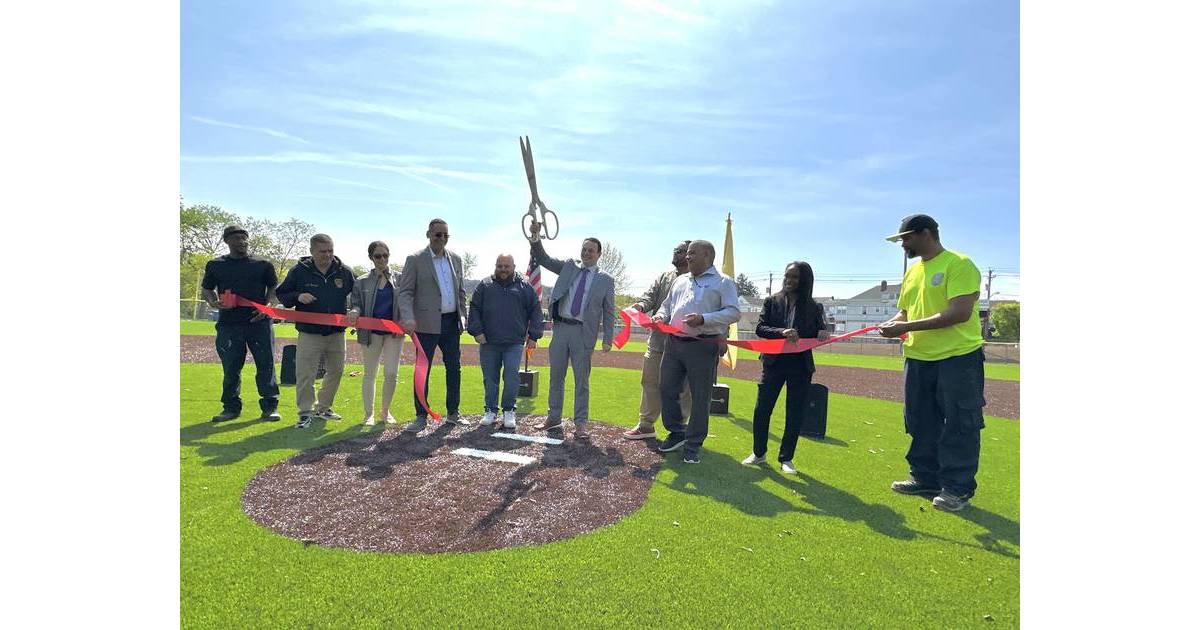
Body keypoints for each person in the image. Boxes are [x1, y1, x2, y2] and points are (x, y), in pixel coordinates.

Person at [877, 213, 986, 512]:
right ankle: (924, 477)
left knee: (960, 423)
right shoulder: (912, 273)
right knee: (920, 420)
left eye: (907, 238)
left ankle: (957, 488)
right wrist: (894, 324)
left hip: (958, 358)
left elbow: (959, 313)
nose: (903, 245)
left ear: (927, 233)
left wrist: (905, 328)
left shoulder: (959, 264)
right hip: (918, 358)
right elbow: (905, 313)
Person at [526, 220, 615, 439]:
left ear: (598, 254)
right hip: (561, 329)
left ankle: (581, 423)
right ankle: (553, 418)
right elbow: (544, 259)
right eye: (584, 249)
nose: (586, 253)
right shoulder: (569, 266)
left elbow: (609, 311)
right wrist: (536, 237)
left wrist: (608, 339)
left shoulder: (606, 280)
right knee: (556, 377)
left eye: (591, 251)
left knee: (581, 382)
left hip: (584, 334)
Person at [653, 240, 741, 463]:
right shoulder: (680, 280)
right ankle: (677, 431)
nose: (687, 257)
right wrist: (661, 316)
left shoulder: (723, 282)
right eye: (687, 254)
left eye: (692, 253)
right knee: (666, 388)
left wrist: (705, 319)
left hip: (703, 344)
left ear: (707, 256)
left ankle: (693, 445)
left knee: (701, 397)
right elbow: (667, 305)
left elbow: (733, 312)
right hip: (673, 343)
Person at [741, 261, 830, 473]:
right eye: (787, 276)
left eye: (795, 277)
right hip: (773, 363)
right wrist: (782, 332)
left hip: (800, 366)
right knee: (762, 409)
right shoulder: (772, 301)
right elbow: (761, 329)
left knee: (795, 413)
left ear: (805, 281)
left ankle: (786, 459)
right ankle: (759, 453)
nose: (789, 281)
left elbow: (821, 330)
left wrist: (823, 333)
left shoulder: (814, 307)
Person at [200, 224, 281, 423]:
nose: (241, 241)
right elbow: (207, 289)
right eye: (236, 238)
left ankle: (270, 407)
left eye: (244, 237)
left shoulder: (263, 264)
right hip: (229, 324)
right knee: (231, 367)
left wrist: (268, 306)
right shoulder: (215, 265)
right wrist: (213, 302)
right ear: (227, 241)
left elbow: (273, 288)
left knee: (266, 365)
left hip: (259, 323)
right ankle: (230, 407)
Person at [397, 218, 469, 432]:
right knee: (422, 370)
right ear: (428, 234)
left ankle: (453, 413)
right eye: (438, 234)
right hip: (424, 325)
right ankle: (421, 416)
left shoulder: (456, 259)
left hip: (450, 323)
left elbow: (461, 292)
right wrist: (408, 317)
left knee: (454, 368)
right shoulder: (415, 259)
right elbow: (405, 292)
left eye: (446, 235)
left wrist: (462, 316)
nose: (442, 239)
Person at [276, 233, 355, 429]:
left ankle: (324, 408)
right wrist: (298, 296)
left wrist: (355, 309)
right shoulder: (299, 271)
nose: (328, 255)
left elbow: (357, 296)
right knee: (306, 374)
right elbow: (282, 294)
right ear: (312, 252)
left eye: (331, 250)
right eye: (323, 251)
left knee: (336, 371)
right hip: (309, 332)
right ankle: (305, 412)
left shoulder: (344, 271)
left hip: (336, 332)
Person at [621, 240, 694, 440]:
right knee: (649, 382)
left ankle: (680, 429)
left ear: (689, 255)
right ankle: (646, 425)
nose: (675, 253)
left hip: (684, 345)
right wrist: (639, 307)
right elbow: (649, 298)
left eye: (679, 251)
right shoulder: (665, 277)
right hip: (658, 343)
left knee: (682, 389)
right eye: (675, 250)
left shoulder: (696, 280)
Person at [466, 254, 544, 430]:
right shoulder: (485, 285)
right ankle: (491, 410)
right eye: (500, 265)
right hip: (488, 342)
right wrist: (476, 331)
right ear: (495, 266)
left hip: (514, 342)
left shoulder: (525, 286)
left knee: (511, 377)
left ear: (513, 267)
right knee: (490, 379)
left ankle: (508, 410)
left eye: (506, 266)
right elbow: (474, 308)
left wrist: (534, 336)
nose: (503, 269)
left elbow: (536, 312)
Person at [347, 240, 403, 427]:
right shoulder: (361, 281)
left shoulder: (400, 279)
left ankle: (385, 412)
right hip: (370, 334)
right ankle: (368, 414)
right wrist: (354, 310)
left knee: (391, 373)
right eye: (377, 256)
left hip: (394, 334)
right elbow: (355, 303)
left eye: (385, 255)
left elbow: (407, 302)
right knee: (370, 374)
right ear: (371, 258)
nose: (382, 259)